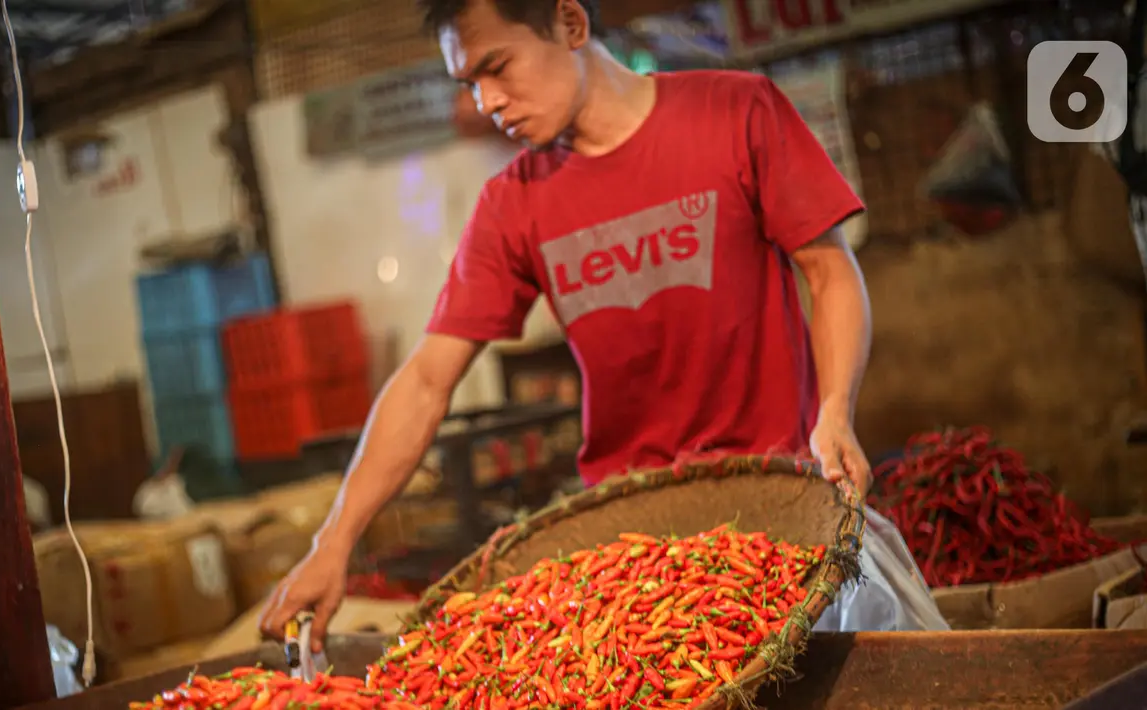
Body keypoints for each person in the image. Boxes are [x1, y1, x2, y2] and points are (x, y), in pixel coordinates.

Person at [262, 0, 891, 649]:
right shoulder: (513, 203)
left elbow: (828, 270)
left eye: (496, 67)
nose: (486, 101)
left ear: (570, 23)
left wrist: (835, 409)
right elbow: (426, 379)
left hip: (777, 503)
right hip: (632, 536)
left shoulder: (735, 111)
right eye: (469, 83)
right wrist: (332, 542)